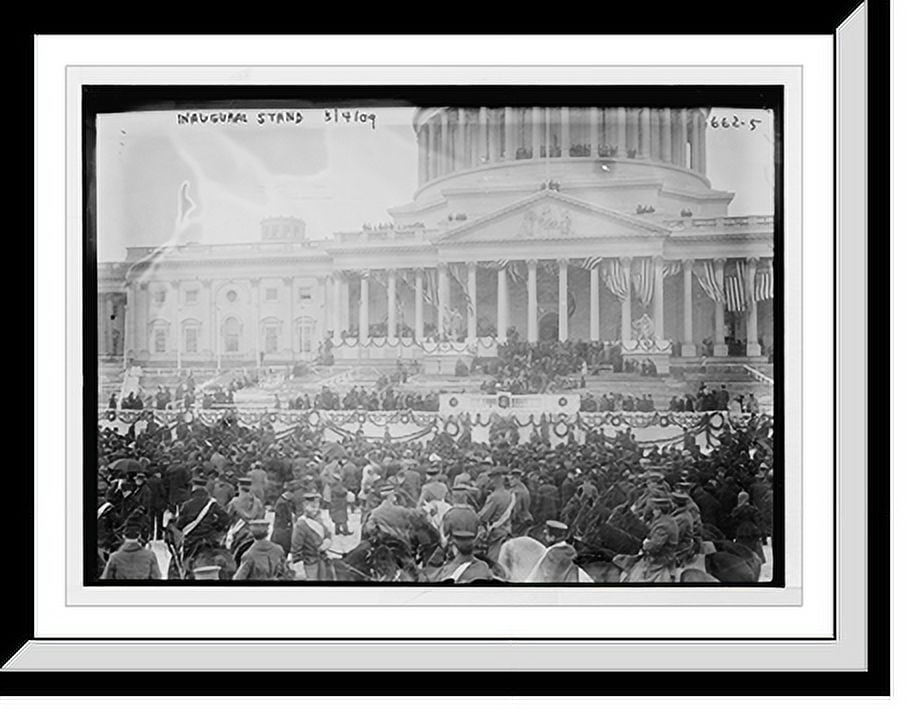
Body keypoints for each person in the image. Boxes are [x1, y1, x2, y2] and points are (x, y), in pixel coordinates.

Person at [527, 520, 594, 583]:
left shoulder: (552, 554)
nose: (544, 533)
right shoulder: (569, 552)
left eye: (547, 533)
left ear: (553, 537)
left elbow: (539, 576)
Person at [291, 491, 335, 580]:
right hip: (309, 563)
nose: (315, 510)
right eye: (312, 507)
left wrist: (327, 542)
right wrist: (299, 568)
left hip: (322, 560)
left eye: (317, 507)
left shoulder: (319, 521)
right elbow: (296, 548)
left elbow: (327, 534)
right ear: (305, 507)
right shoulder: (301, 524)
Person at [478, 468, 515, 564]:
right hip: (507, 530)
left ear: (495, 480)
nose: (488, 482)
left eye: (490, 480)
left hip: (496, 534)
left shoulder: (494, 497)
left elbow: (483, 517)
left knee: (492, 561)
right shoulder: (509, 494)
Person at [271, 480, 304, 555]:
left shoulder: (287, 501)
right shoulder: (282, 504)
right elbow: (284, 521)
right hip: (282, 535)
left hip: (285, 534)